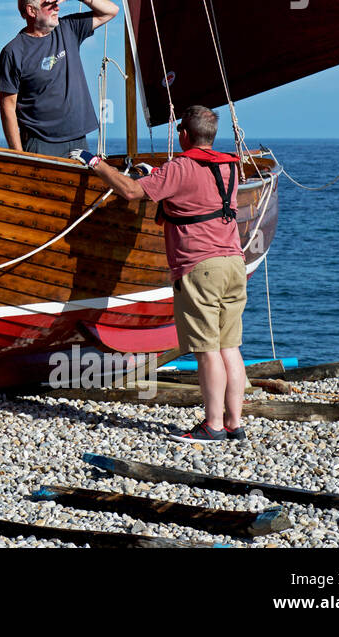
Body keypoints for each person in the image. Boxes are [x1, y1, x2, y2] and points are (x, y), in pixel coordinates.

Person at [79, 105, 248, 443]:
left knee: (207, 350)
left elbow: (130, 191)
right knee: (230, 347)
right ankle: (234, 424)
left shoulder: (181, 167)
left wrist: (95, 163)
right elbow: (196, 192)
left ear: (184, 135)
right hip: (233, 262)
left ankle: (212, 426)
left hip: (200, 268)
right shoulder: (230, 166)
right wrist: (156, 173)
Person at [0, 0, 118, 157]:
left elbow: (111, 11)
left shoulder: (68, 28)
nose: (58, 8)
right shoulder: (13, 52)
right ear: (31, 10)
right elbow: (8, 107)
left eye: (58, 2)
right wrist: (19, 155)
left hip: (78, 140)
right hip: (39, 144)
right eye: (51, 3)